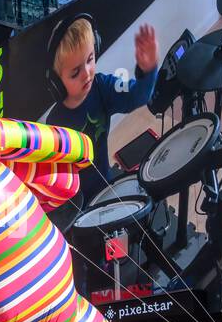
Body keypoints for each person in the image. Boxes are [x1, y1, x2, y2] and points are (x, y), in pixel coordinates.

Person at [40, 16, 159, 202]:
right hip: (74, 198)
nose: (87, 73)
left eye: (90, 59)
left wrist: (148, 70)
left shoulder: (101, 86)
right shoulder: (55, 122)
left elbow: (137, 96)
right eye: (75, 72)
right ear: (57, 83)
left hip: (105, 183)